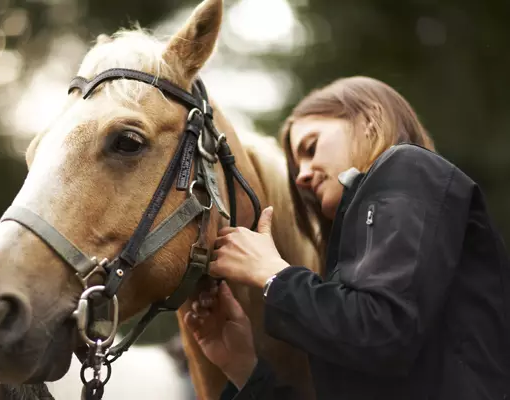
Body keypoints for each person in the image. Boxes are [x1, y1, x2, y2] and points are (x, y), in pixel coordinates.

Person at [184, 76, 510, 400]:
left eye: (310, 148)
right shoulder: (352, 259)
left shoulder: (406, 167)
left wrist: (273, 276)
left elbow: (383, 333)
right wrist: (243, 366)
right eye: (297, 168)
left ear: (368, 119)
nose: (303, 175)